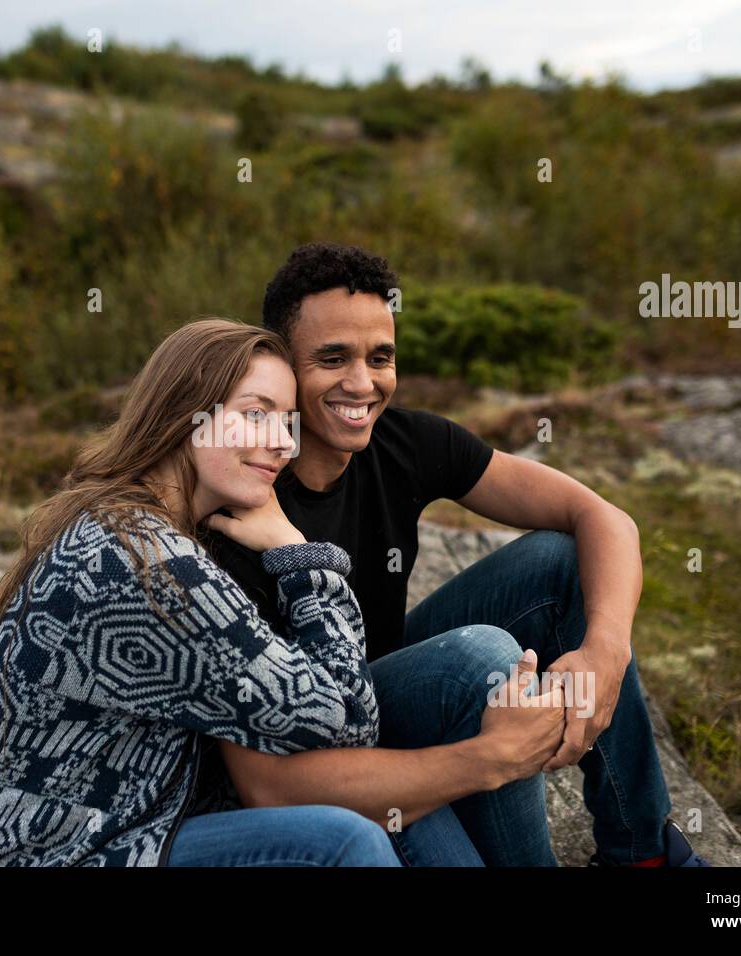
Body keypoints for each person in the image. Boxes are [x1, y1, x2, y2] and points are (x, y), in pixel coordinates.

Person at [202, 242, 712, 867]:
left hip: (383, 688)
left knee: (558, 561)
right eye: (332, 358)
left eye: (380, 357)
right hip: (315, 743)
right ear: (281, 364)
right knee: (480, 661)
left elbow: (603, 518)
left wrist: (605, 649)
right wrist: (485, 759)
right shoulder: (242, 499)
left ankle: (643, 854)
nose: (362, 383)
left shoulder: (404, 442)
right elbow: (264, 784)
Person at [0, 318, 528, 866]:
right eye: (256, 416)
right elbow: (346, 722)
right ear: (187, 416)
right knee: (341, 839)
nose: (281, 444)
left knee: (395, 797)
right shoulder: (150, 563)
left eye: (286, 422)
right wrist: (300, 556)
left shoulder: (129, 523)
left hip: (141, 822)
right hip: (77, 854)